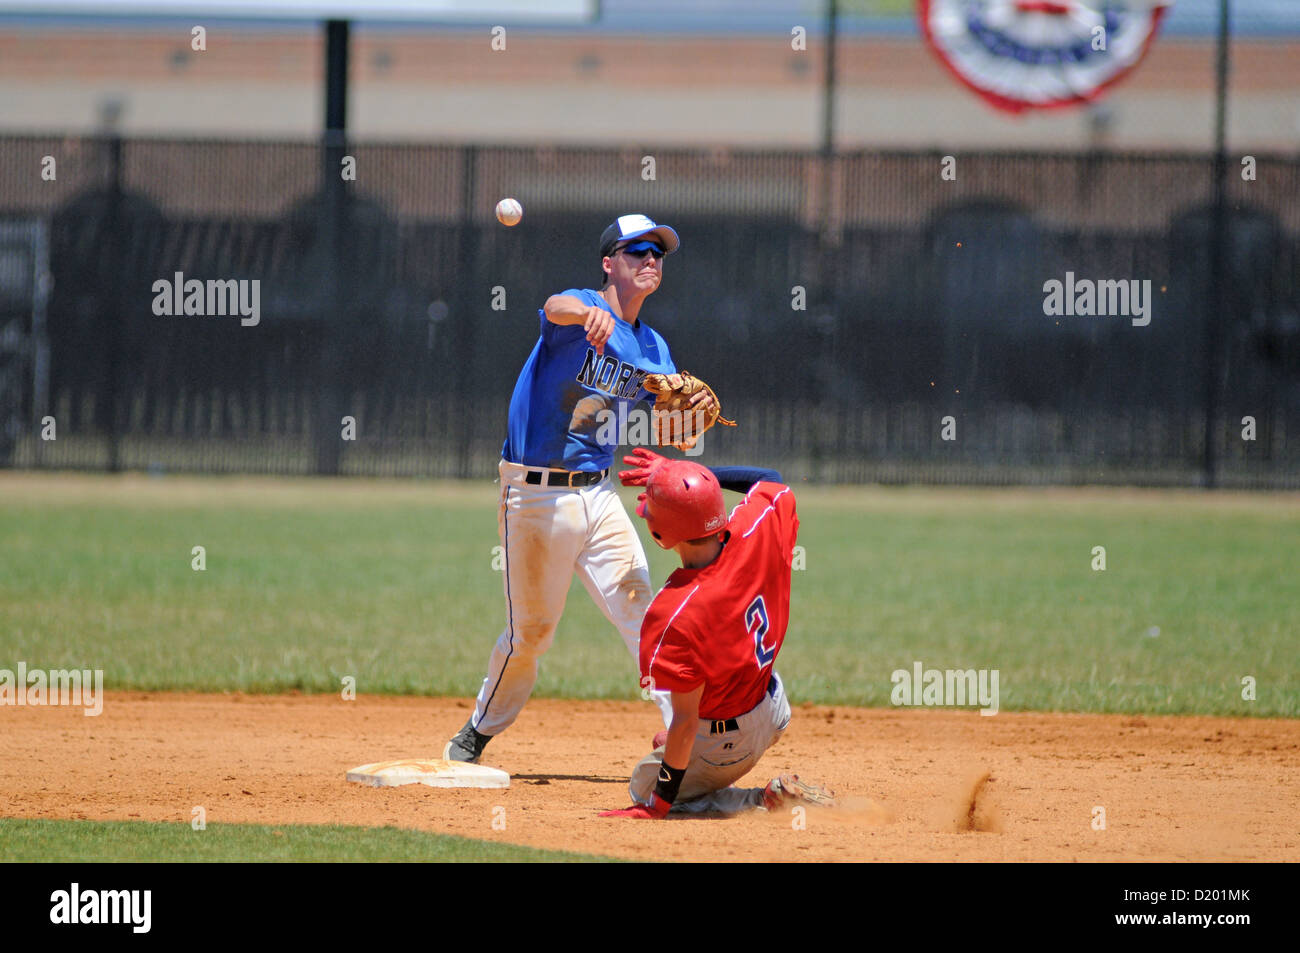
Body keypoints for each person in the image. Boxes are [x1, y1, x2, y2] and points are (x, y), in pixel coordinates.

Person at [444, 214, 715, 763]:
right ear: (608, 262)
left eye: (658, 254)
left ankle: (692, 741)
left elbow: (670, 425)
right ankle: (476, 733)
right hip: (537, 496)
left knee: (644, 611)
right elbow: (551, 305)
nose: (650, 261)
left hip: (599, 496)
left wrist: (684, 429)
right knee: (533, 633)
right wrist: (588, 313)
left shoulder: (653, 348)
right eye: (636, 251)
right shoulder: (578, 307)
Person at [599, 448, 836, 818]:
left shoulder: (674, 610)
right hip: (772, 709)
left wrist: (657, 806)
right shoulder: (756, 527)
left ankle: (760, 799)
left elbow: (684, 722)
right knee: (682, 735)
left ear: (661, 533)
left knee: (644, 784)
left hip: (730, 740)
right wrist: (695, 477)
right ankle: (706, 755)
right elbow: (769, 476)